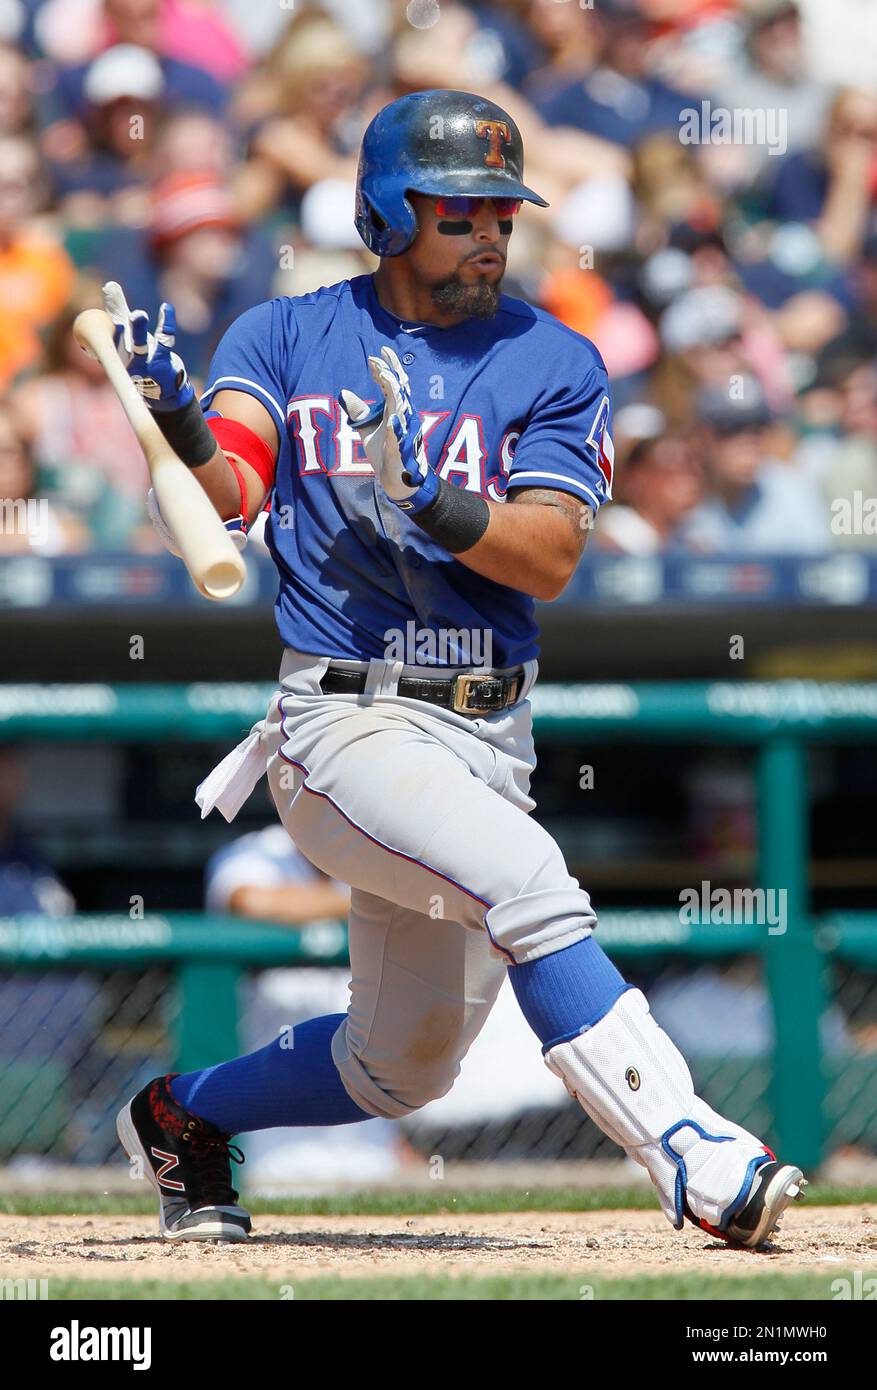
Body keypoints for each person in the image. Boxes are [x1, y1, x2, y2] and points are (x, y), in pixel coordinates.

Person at [107, 89, 805, 1246]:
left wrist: (429, 496)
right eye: (458, 211)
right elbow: (230, 488)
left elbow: (552, 557)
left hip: (489, 731)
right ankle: (688, 1146)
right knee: (531, 881)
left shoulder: (554, 358)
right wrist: (180, 420)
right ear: (387, 213)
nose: (488, 234)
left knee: (401, 1069)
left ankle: (185, 1115)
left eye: (501, 214)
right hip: (342, 722)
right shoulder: (282, 336)